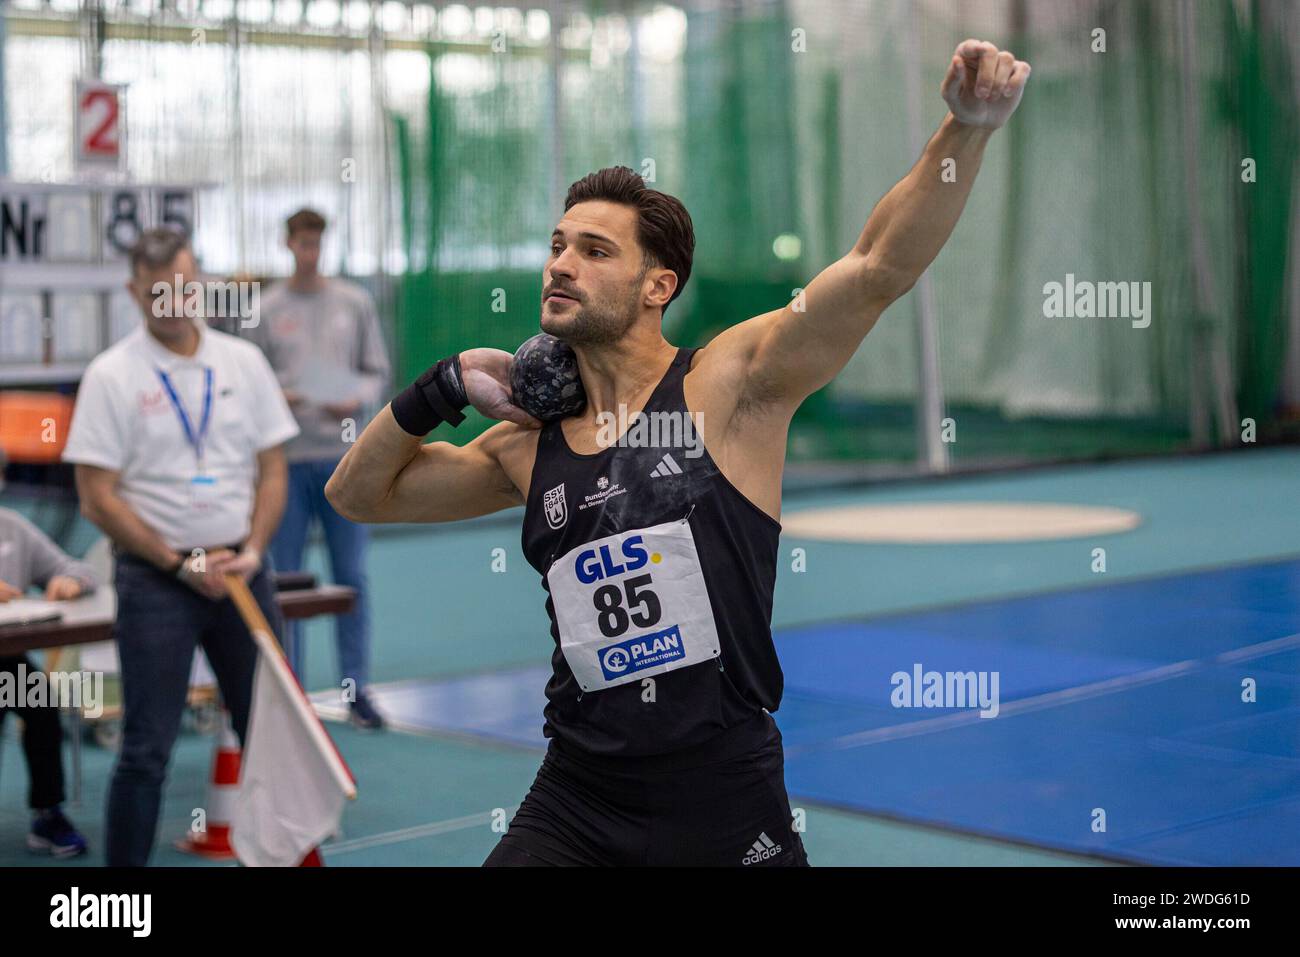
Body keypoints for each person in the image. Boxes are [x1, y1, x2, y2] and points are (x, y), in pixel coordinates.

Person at [326, 40, 1031, 865]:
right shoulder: (526, 444)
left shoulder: (732, 387)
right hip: (578, 793)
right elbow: (359, 495)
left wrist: (965, 129)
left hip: (721, 793)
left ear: (657, 285)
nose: (561, 264)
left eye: (595, 251)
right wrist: (438, 387)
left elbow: (876, 266)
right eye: (558, 244)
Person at [62, 227, 299, 866]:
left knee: (269, 739)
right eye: (158, 290)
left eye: (185, 286)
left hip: (242, 574)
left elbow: (272, 468)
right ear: (135, 292)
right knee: (145, 750)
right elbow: (97, 497)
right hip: (156, 580)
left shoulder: (241, 363)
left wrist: (252, 549)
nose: (174, 301)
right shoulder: (111, 375)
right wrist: (177, 562)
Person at [245, 208, 390, 729]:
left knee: (350, 576)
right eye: (301, 243)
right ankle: (291, 696)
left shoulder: (354, 303)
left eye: (316, 243)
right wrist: (279, 396)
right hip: (285, 463)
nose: (310, 251)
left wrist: (355, 398)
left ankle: (357, 690)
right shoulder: (265, 310)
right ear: (288, 244)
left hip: (342, 459)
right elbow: (251, 385)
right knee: (284, 582)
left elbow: (377, 372)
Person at [0, 502, 97, 858]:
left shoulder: (12, 527)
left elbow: (74, 566)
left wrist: (70, 580)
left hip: (7, 660)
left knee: (41, 706)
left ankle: (48, 813)